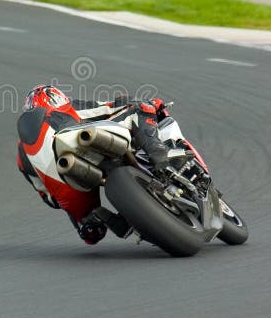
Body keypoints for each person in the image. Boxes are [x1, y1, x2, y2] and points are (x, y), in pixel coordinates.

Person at [15, 84, 180, 245]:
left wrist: (67, 207)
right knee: (140, 109)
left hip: (67, 183)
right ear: (55, 98)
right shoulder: (62, 110)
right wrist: (147, 104)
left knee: (91, 233)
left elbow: (45, 195)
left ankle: (98, 218)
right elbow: (107, 108)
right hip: (87, 145)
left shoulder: (22, 157)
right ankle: (158, 152)